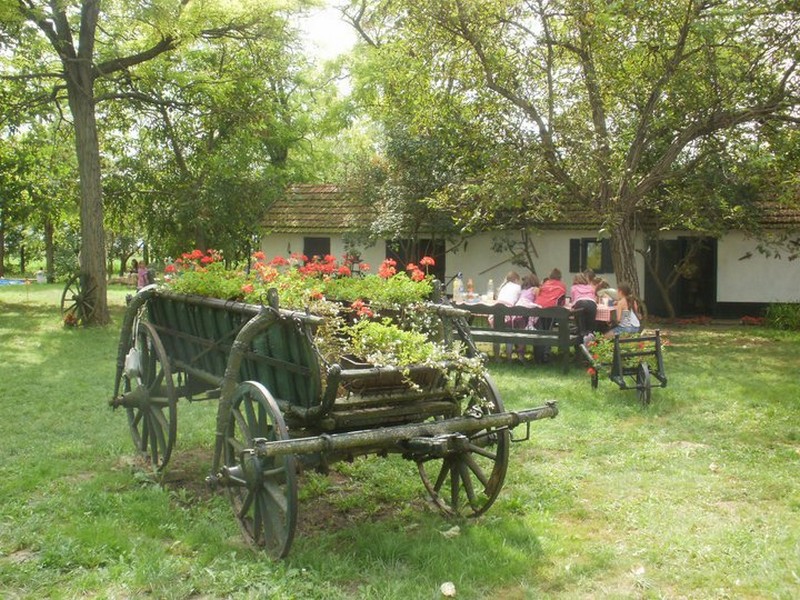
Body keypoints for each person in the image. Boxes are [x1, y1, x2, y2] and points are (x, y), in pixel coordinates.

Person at [570, 272, 598, 343]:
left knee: (581, 327)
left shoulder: (574, 288)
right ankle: (590, 343)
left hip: (580, 303)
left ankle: (582, 341)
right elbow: (594, 297)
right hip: (592, 304)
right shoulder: (590, 287)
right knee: (590, 328)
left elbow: (573, 301)